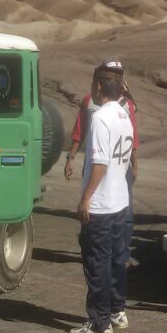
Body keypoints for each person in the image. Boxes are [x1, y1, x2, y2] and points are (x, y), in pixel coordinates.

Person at [69, 75, 134, 333]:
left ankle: (99, 322)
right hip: (119, 200)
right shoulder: (124, 114)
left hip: (102, 204)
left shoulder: (100, 117)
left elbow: (100, 163)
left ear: (98, 87)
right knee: (116, 259)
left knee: (97, 262)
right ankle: (116, 311)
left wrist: (86, 198)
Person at [64, 61, 139, 267]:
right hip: (97, 164)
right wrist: (70, 157)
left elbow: (132, 138)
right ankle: (102, 254)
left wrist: (134, 164)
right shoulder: (90, 103)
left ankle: (120, 255)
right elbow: (79, 131)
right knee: (95, 215)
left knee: (122, 215)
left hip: (113, 167)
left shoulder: (127, 106)